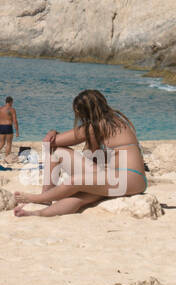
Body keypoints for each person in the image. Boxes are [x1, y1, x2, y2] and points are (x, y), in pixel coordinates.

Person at [13, 89, 147, 218]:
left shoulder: (98, 125)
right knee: (80, 197)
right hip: (126, 179)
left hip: (127, 179)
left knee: (72, 177)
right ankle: (38, 213)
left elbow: (51, 142)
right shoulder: (115, 121)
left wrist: (53, 132)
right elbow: (93, 156)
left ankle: (42, 197)